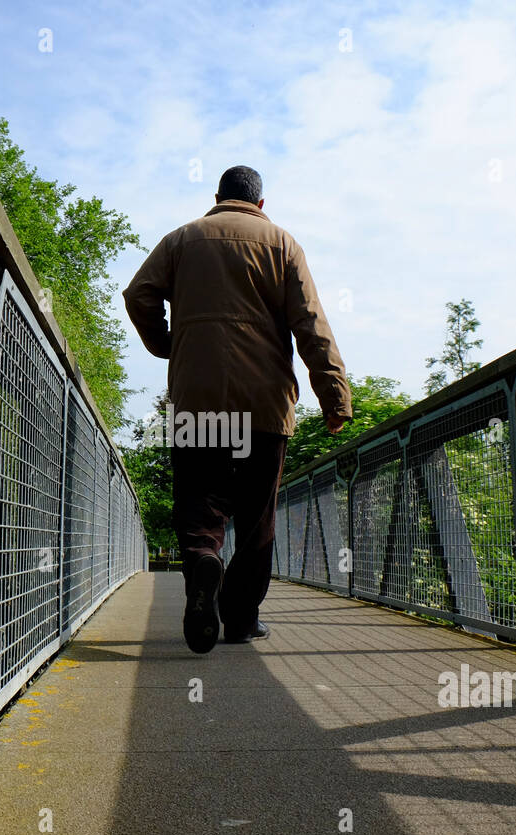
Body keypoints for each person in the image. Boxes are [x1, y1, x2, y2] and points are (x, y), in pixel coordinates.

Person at [123, 165, 352, 654]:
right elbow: (311, 325)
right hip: (264, 405)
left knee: (199, 504)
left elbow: (138, 295)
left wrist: (168, 344)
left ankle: (205, 558)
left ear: (216, 197)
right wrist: (334, 396)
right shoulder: (282, 243)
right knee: (256, 518)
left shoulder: (182, 239)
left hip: (198, 400)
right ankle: (242, 620)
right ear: (261, 204)